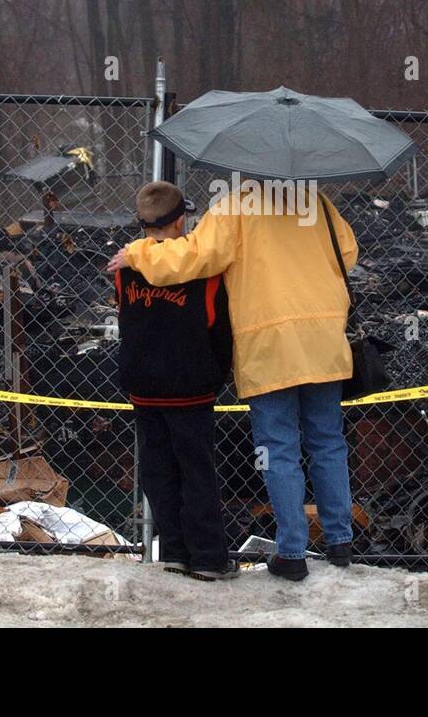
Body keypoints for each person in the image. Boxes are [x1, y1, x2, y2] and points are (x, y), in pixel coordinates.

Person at [107, 180, 357, 582]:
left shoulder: (235, 206)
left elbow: (193, 257)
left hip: (269, 340)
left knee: (279, 448)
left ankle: (292, 553)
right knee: (328, 439)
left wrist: (137, 252)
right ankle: (340, 543)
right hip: (323, 337)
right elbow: (347, 254)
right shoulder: (318, 200)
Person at [114, 181, 236, 581]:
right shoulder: (205, 272)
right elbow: (220, 330)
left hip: (144, 389)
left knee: (158, 470)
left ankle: (174, 552)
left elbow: (127, 323)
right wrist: (217, 375)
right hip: (191, 387)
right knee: (197, 471)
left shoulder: (124, 270)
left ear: (141, 222)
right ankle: (209, 557)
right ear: (182, 219)